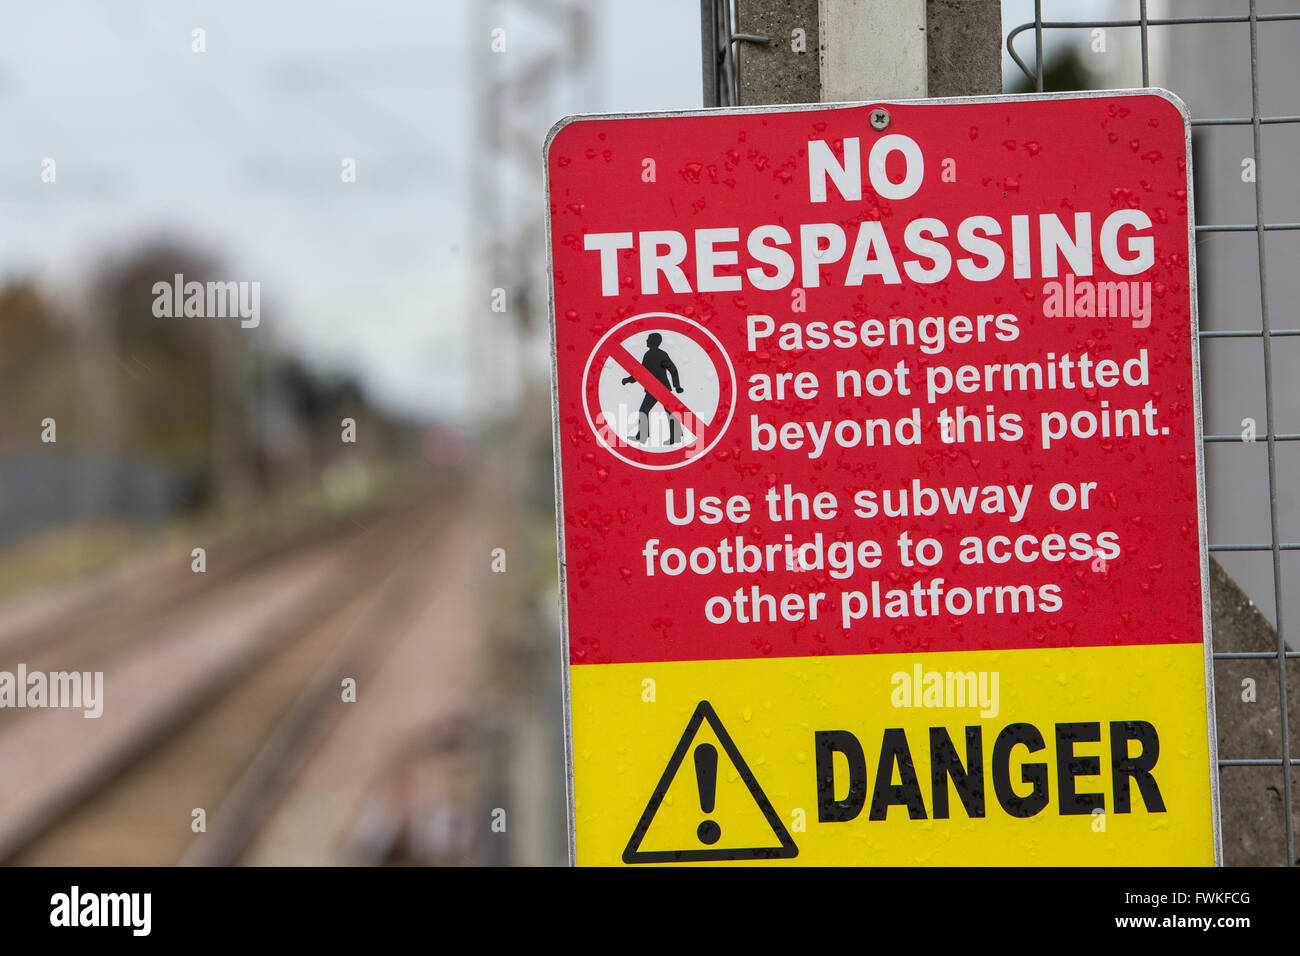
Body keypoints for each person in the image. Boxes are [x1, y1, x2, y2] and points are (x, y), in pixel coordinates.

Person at [622, 333, 684, 444]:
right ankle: (676, 434)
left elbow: (640, 373)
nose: (646, 340)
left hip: (657, 388)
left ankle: (644, 435)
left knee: (645, 410)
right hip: (658, 388)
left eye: (648, 339)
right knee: (667, 411)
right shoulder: (658, 354)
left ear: (653, 342)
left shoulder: (650, 355)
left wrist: (677, 386)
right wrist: (677, 386)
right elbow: (642, 373)